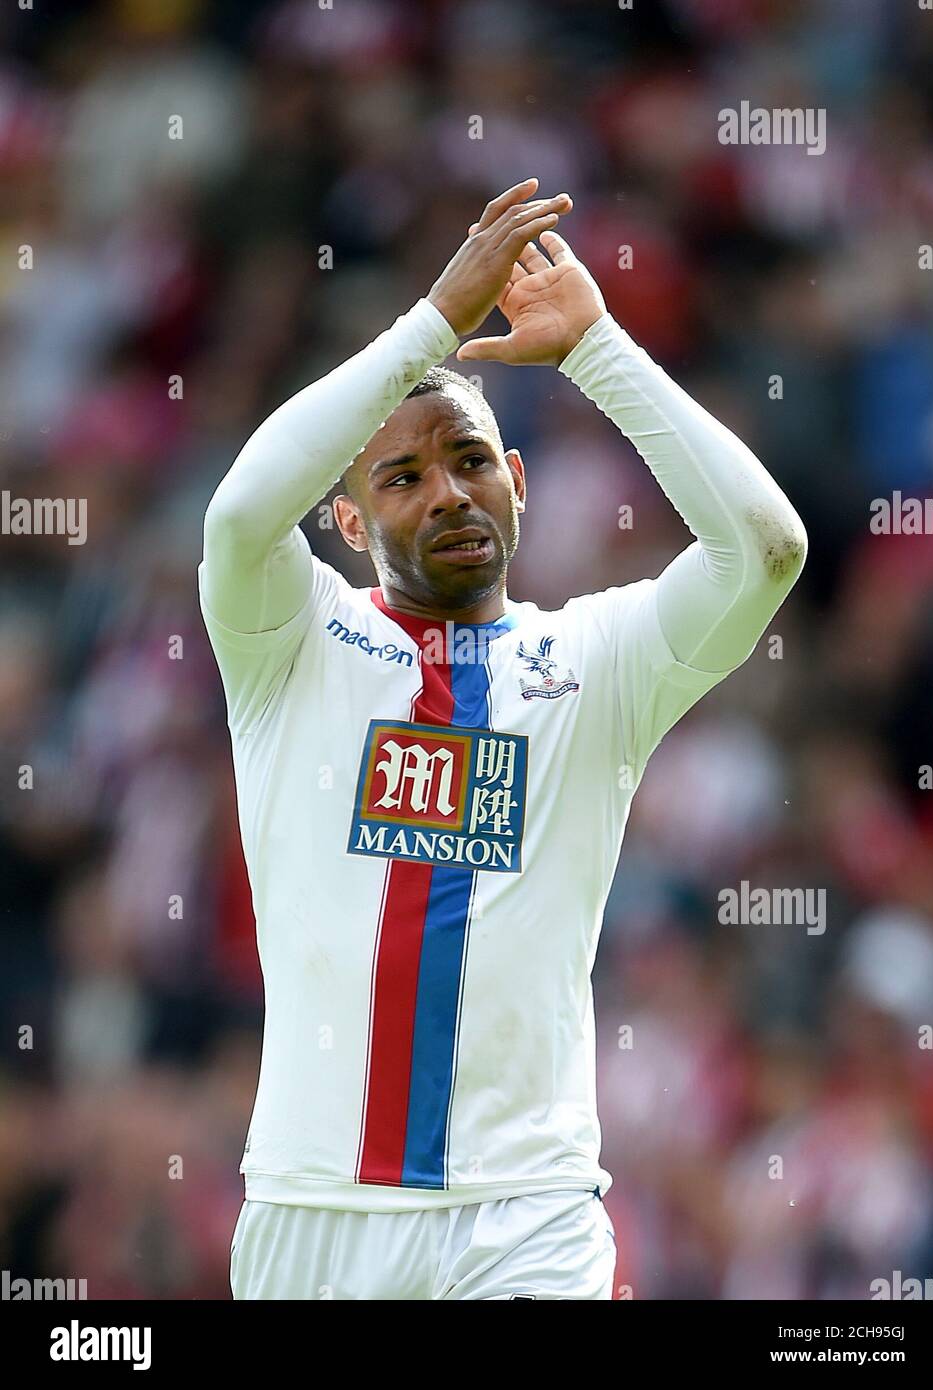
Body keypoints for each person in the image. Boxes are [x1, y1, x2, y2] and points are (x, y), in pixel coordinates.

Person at [200, 178, 807, 1300]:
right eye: (402, 475)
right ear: (345, 521)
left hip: (526, 1216)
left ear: (516, 482)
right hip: (316, 1212)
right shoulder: (293, 643)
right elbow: (239, 514)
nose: (446, 493)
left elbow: (765, 548)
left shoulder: (600, 662)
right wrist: (432, 324)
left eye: (471, 461)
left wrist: (596, 349)